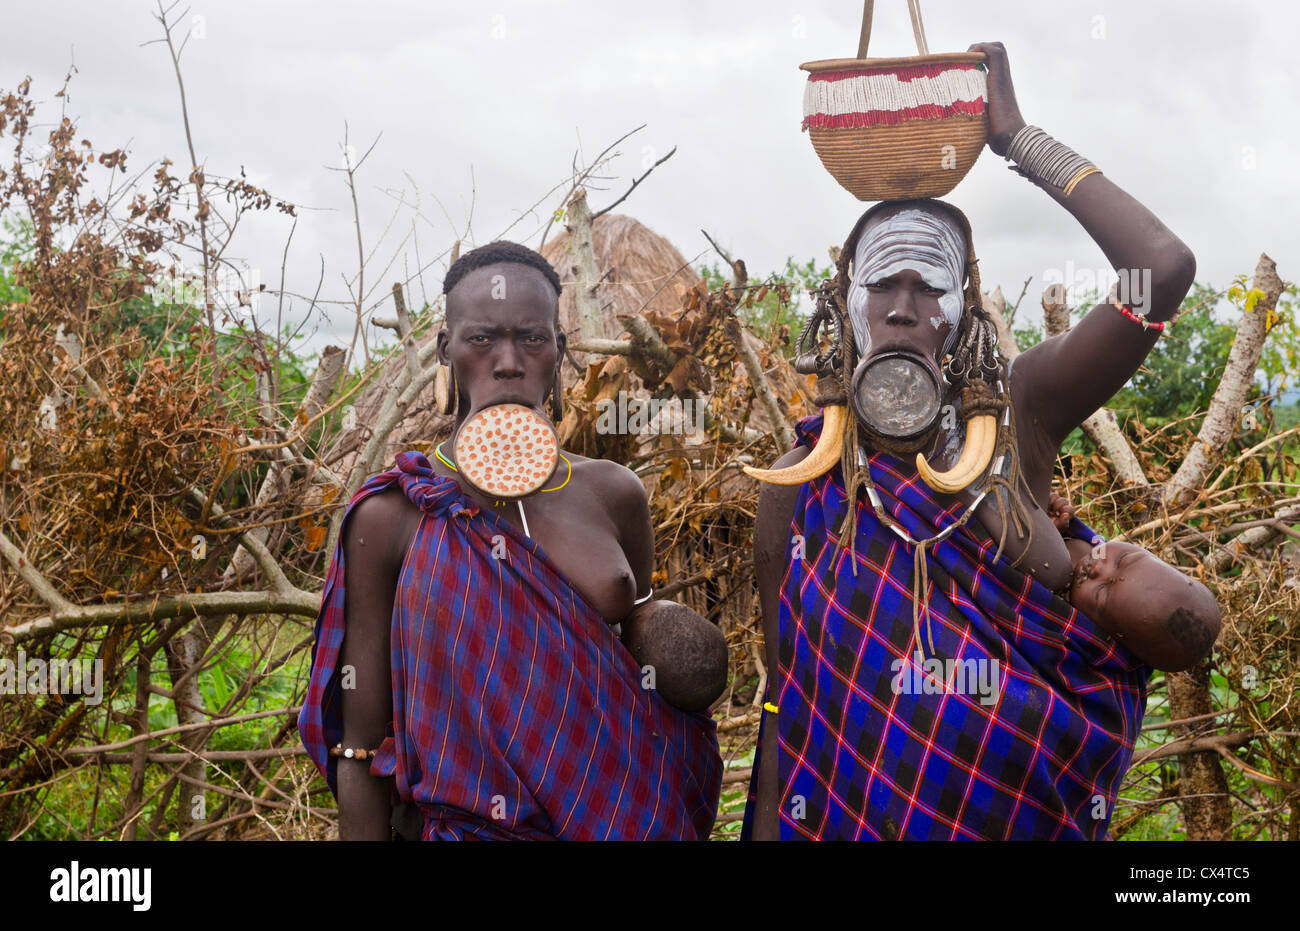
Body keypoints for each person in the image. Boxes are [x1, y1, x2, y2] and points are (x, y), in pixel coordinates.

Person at [743, 42, 1218, 840]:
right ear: (842, 305)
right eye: (881, 285)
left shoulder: (1019, 415)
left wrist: (1018, 140)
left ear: (965, 310)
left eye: (929, 287)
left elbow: (1160, 269)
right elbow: (783, 703)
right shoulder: (797, 483)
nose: (903, 308)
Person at [298, 241, 723, 840]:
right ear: (447, 349)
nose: (508, 361)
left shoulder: (613, 493)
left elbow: (638, 677)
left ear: (559, 351)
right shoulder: (394, 514)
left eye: (531, 338)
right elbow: (361, 745)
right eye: (481, 339)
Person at [1047, 493, 1222, 673]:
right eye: (1122, 560)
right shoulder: (1092, 545)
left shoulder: (1054, 615)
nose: (1098, 569)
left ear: (1104, 635)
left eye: (1100, 593)